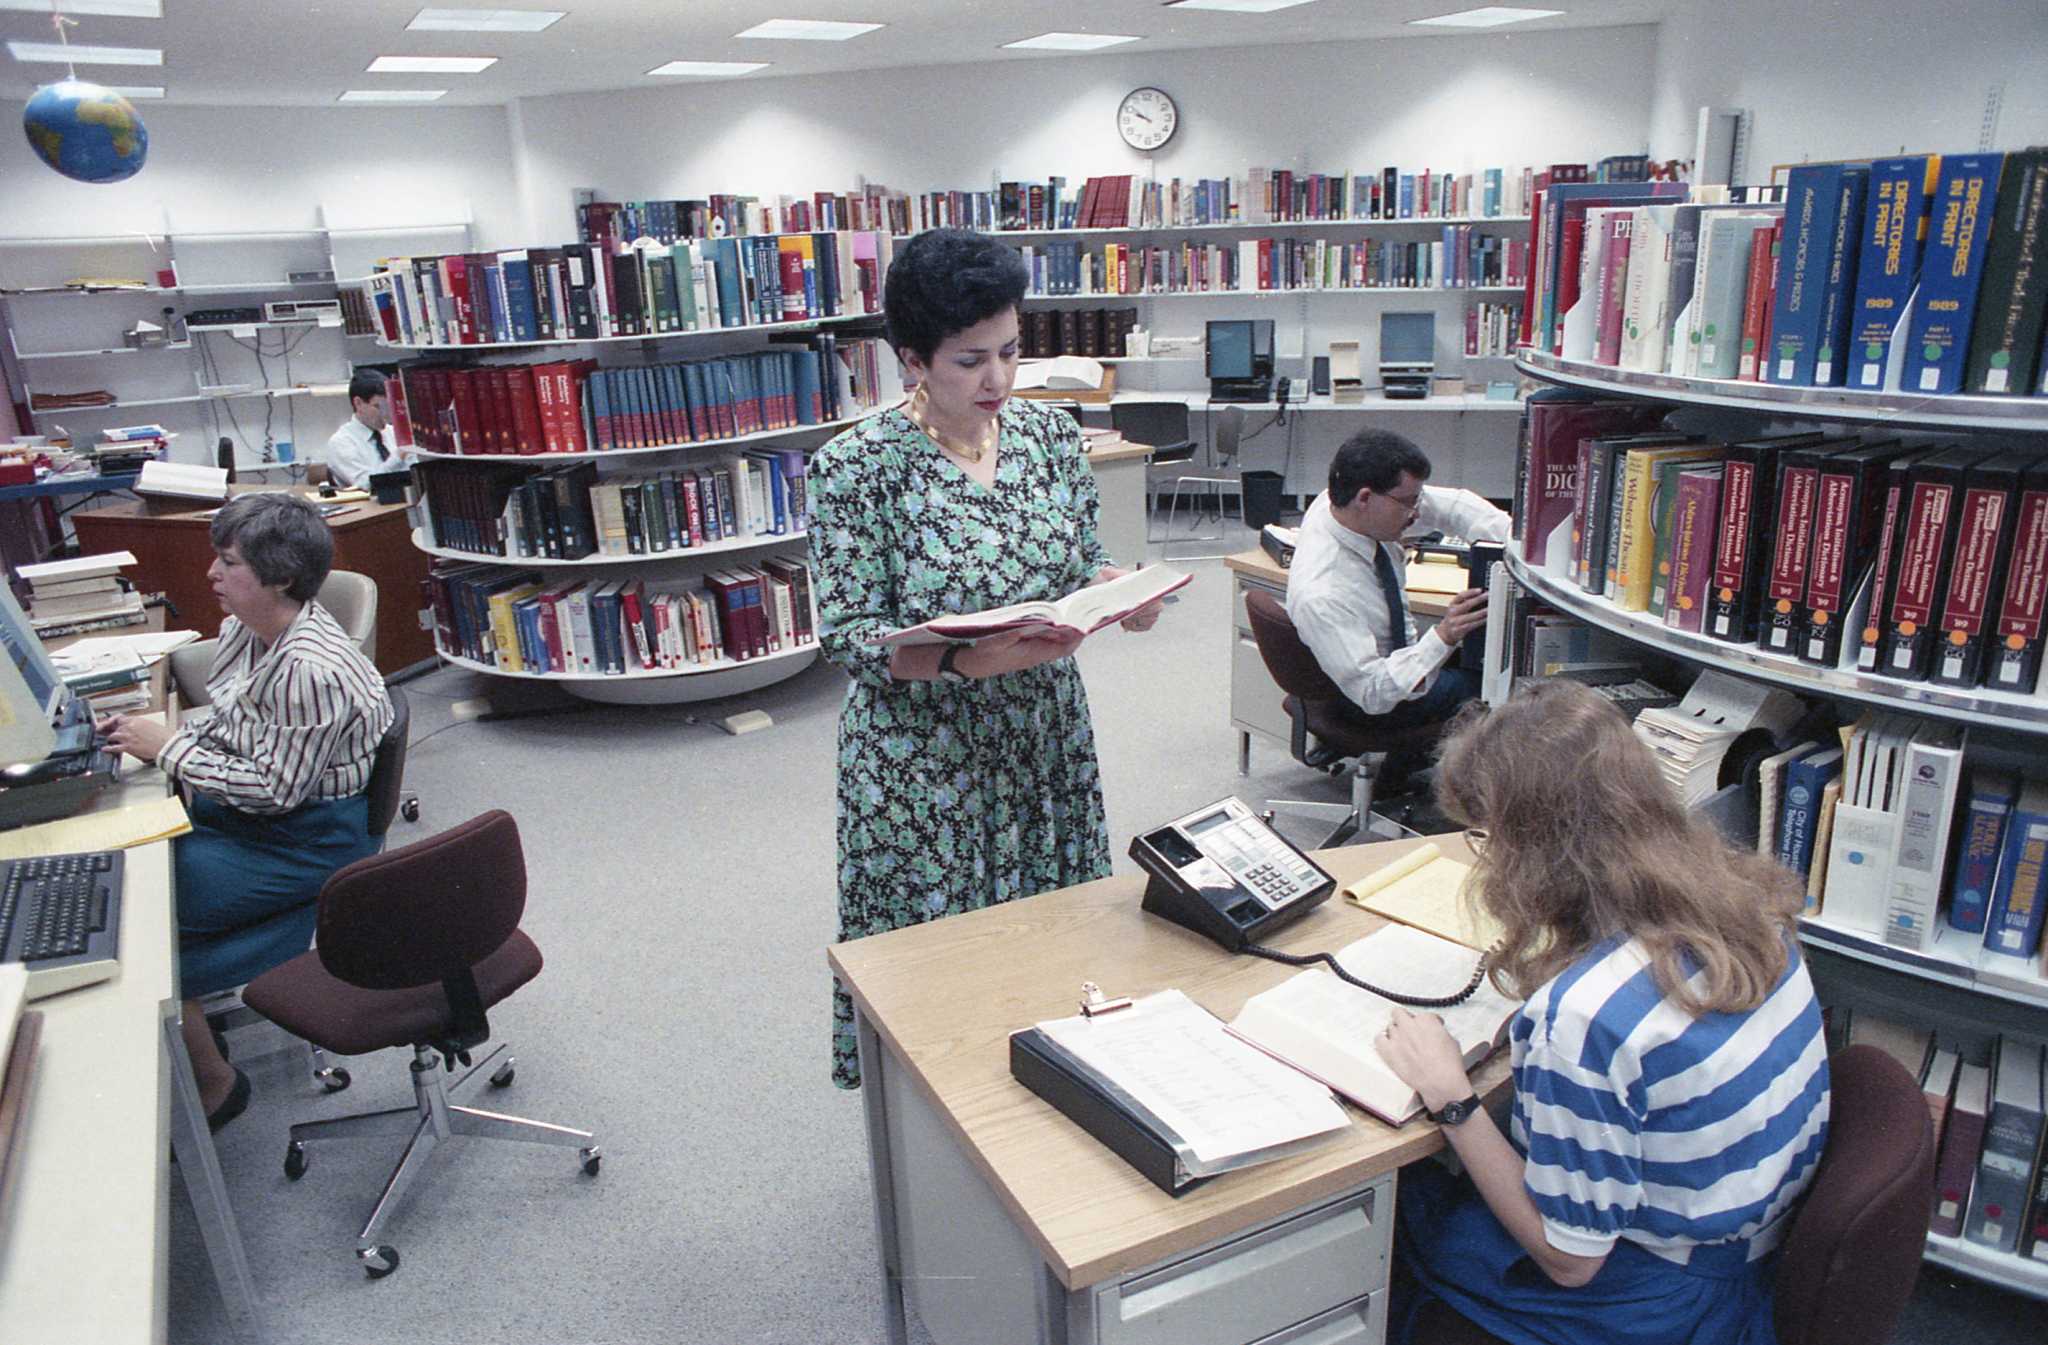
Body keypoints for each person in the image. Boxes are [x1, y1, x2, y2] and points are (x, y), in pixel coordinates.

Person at [1372, 679, 1831, 1345]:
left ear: (1531, 851)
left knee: (1399, 1213)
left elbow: (1570, 1261)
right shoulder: (1750, 902)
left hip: (1652, 1305)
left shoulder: (1584, 1018)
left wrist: (1453, 1098)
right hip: (1742, 1250)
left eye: (1485, 837)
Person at [810, 228, 1164, 1089]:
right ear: (912, 359)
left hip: (1041, 736)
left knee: (1053, 940)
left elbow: (1077, 561)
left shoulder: (1048, 438)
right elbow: (850, 633)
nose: (999, 380)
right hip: (920, 758)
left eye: (1010, 351)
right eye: (970, 360)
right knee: (938, 972)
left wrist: (1119, 594)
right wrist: (971, 664)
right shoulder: (855, 468)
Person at [101, 493, 395, 1129]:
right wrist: (161, 741)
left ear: (281, 577)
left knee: (136, 920)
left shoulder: (309, 669)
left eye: (228, 562)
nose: (211, 574)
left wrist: (170, 748)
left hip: (304, 840)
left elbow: (274, 791)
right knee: (125, 884)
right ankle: (192, 1028)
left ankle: (214, 1082)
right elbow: (237, 722)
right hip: (259, 819)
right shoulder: (247, 627)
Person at [1284, 430, 1509, 757]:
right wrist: (1444, 635)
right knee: (1498, 687)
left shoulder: (1338, 503)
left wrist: (1518, 545)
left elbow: (1453, 507)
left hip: (1387, 664)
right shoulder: (1323, 592)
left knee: (1478, 652)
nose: (1416, 512)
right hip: (1374, 700)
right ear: (1364, 498)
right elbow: (1373, 693)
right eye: (1407, 502)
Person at [324, 368, 402, 488]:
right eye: (379, 407)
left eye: (389, 406)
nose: (387, 414)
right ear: (358, 403)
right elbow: (364, 484)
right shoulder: (341, 442)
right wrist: (399, 457)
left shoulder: (392, 433)